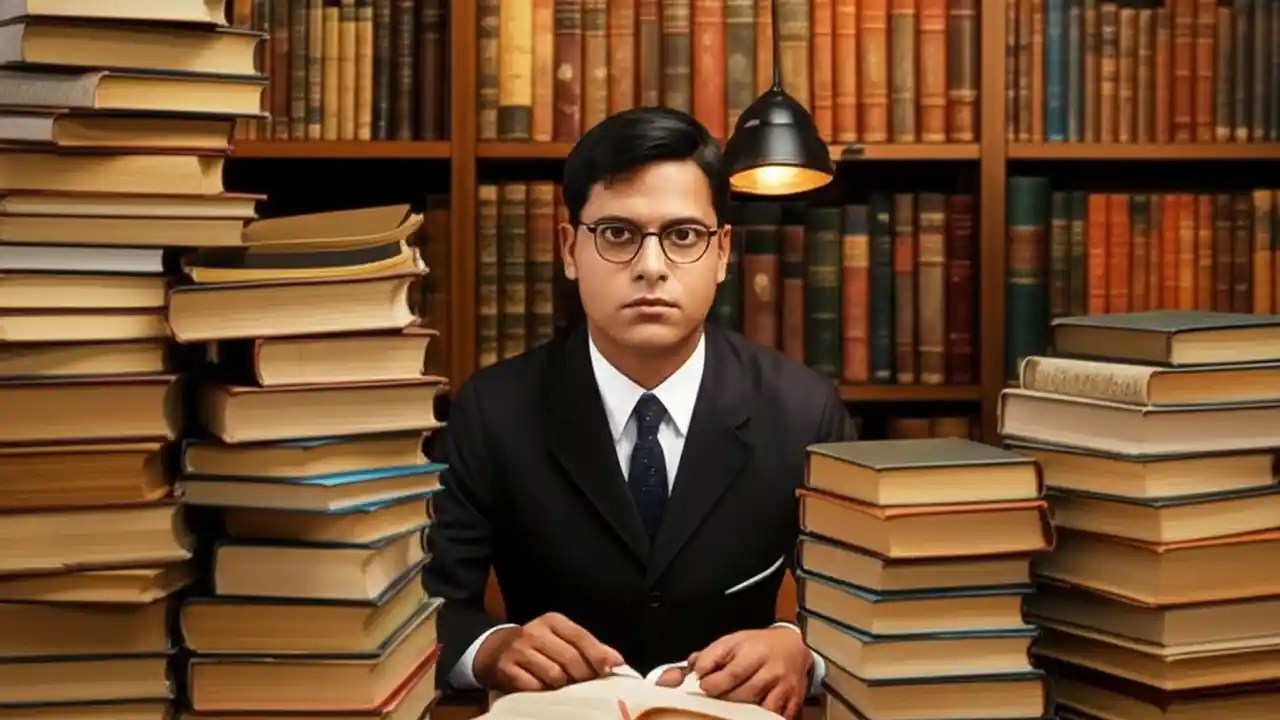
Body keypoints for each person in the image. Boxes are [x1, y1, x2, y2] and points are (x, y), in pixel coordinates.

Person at [424, 107, 857, 720]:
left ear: (723, 254)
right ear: (570, 249)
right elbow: (422, 606)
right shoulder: (492, 410)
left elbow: (864, 611)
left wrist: (801, 649)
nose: (651, 266)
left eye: (683, 236)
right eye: (619, 234)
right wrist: (492, 647)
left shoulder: (803, 412)